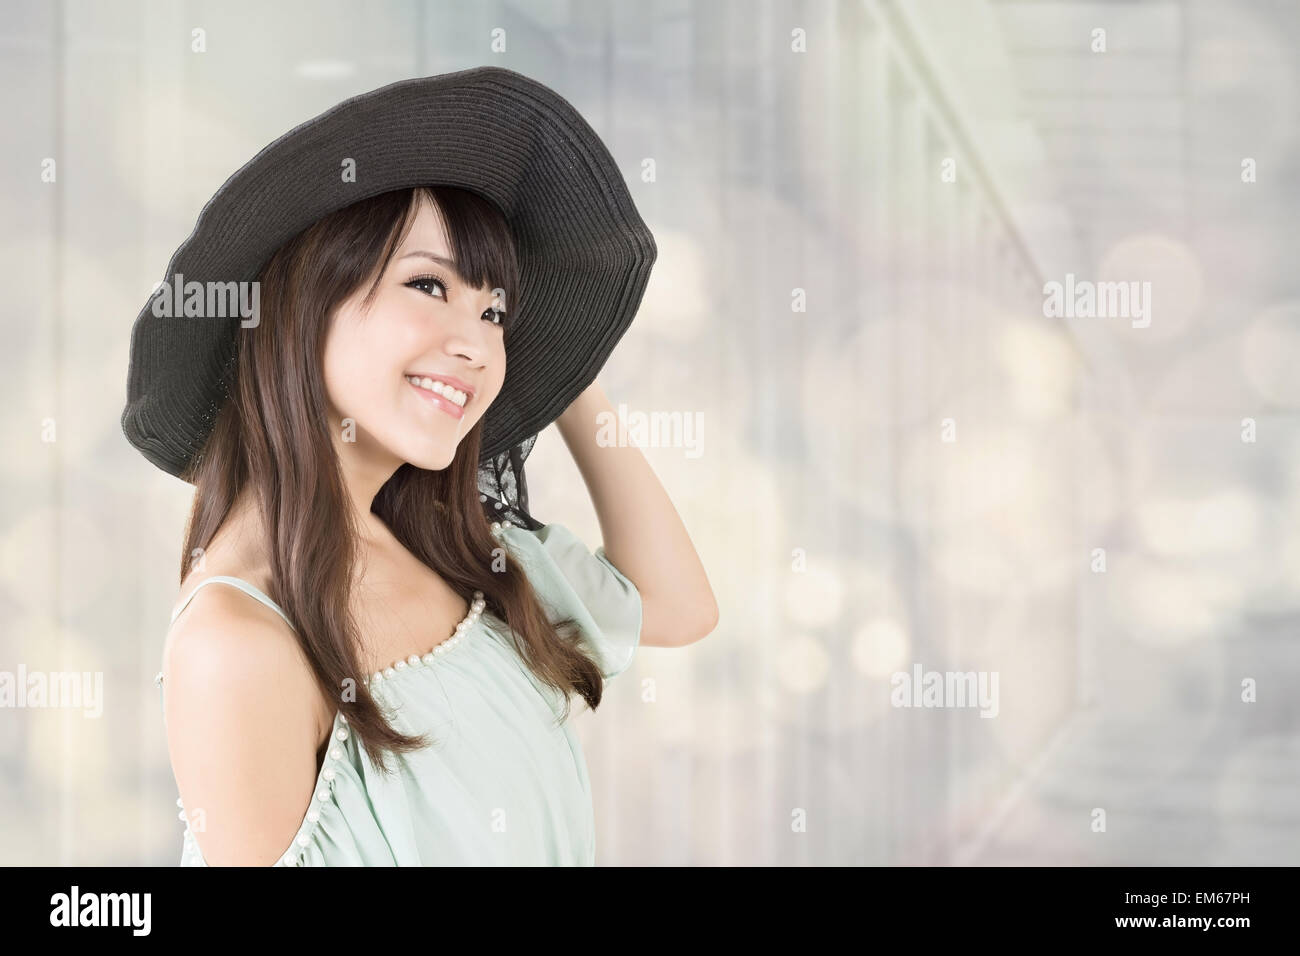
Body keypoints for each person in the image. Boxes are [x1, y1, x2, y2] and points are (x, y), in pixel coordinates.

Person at [123, 68, 718, 866]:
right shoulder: (238, 641)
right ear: (302, 302)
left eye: (496, 309)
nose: (476, 341)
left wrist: (567, 368)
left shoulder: (454, 544)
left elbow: (679, 609)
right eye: (428, 284)